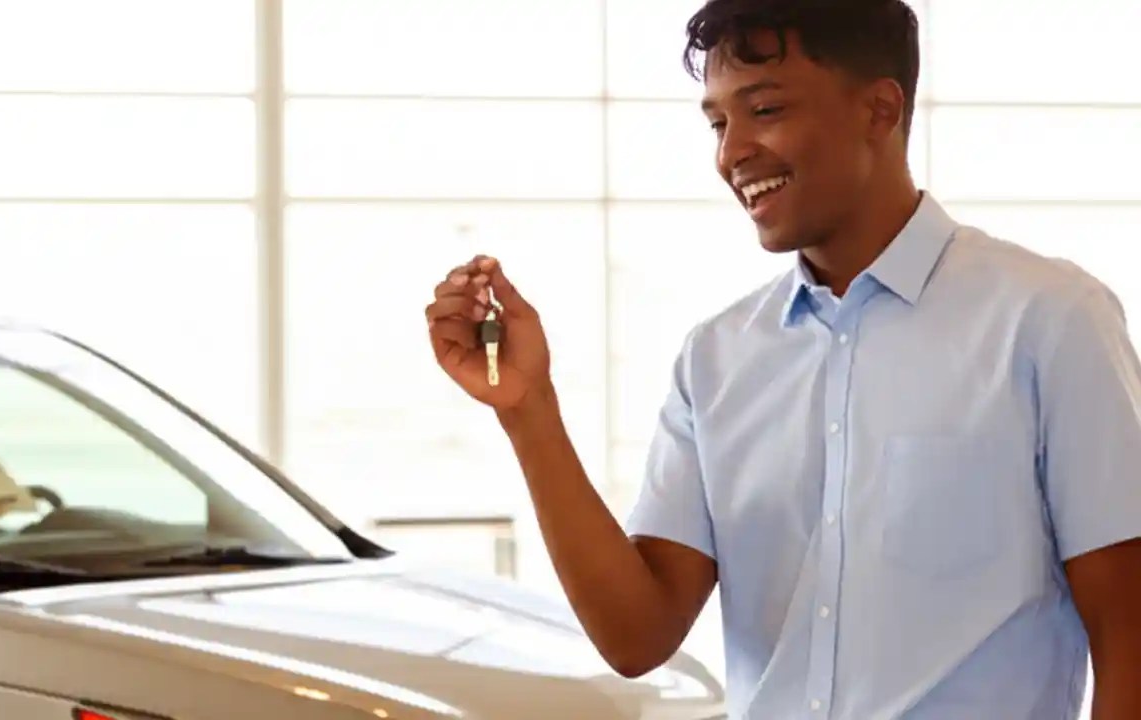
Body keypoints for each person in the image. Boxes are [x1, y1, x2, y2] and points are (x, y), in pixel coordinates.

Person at [424, 0, 1141, 717]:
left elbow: (1130, 637)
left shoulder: (1050, 321)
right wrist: (528, 410)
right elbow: (635, 635)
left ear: (879, 111)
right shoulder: (716, 359)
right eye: (716, 122)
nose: (731, 152)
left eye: (763, 109)